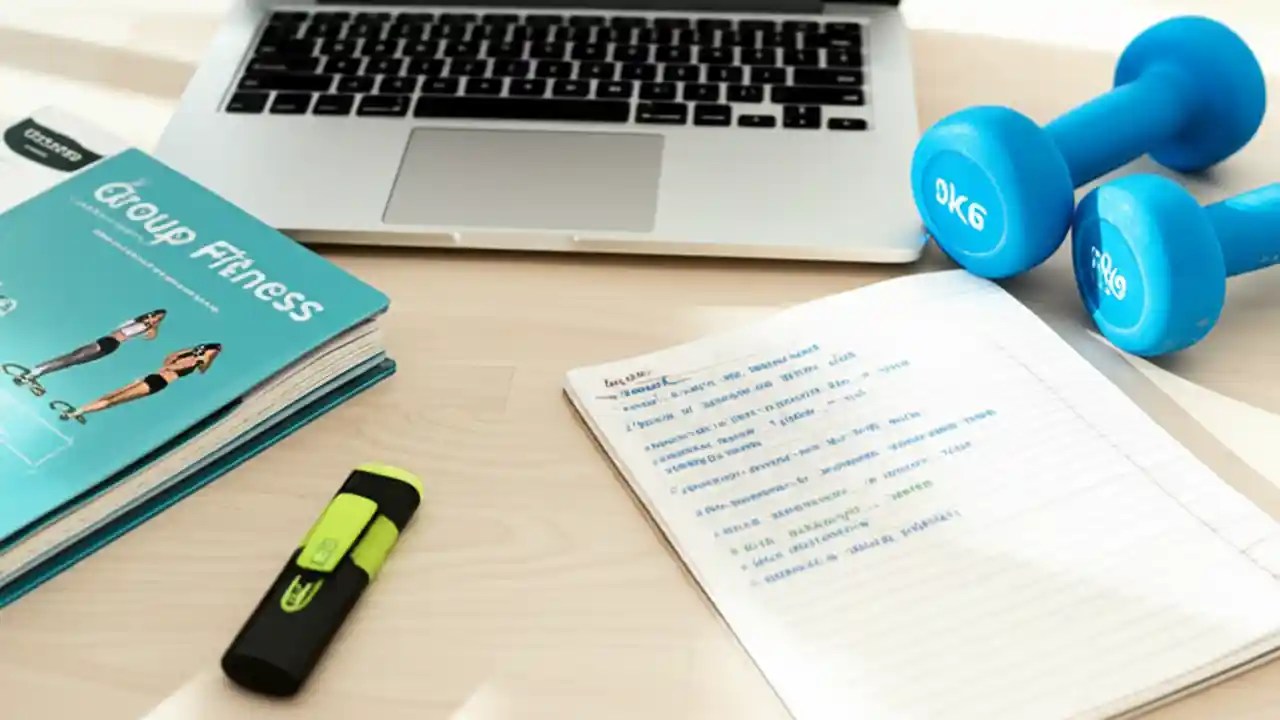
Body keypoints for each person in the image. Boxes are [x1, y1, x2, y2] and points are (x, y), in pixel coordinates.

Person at [7, 309, 167, 394]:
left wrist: (155, 325)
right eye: (156, 317)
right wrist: (147, 321)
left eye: (159, 319)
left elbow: (151, 336)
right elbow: (122, 328)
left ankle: (37, 373)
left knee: (73, 362)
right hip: (107, 341)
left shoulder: (148, 328)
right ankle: (36, 370)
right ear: (150, 314)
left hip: (112, 347)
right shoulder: (136, 322)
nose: (155, 320)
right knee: (71, 358)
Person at [56, 343, 222, 423]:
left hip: (155, 379)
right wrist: (194, 352)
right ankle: (79, 410)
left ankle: (79, 410)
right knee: (112, 398)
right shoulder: (192, 359)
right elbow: (171, 359)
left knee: (113, 398)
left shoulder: (196, 360)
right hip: (154, 380)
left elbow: (197, 366)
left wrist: (199, 355)